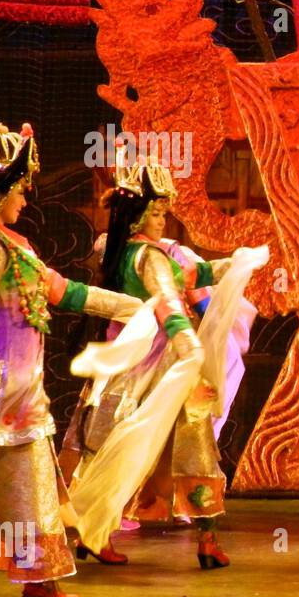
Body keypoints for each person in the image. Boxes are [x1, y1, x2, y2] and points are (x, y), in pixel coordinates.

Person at [0, 111, 140, 597]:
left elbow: (67, 292)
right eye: (21, 189)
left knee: (31, 484)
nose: (26, 198)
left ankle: (39, 580)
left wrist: (136, 308)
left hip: (18, 396)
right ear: (1, 193)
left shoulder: (17, 247)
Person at [62, 144, 238, 569]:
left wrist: (234, 263)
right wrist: (187, 344)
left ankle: (93, 530)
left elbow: (185, 277)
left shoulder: (123, 252)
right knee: (194, 448)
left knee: (110, 447)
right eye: (158, 213)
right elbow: (168, 300)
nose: (164, 219)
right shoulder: (152, 256)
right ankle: (207, 538)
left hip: (126, 368)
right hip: (165, 365)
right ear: (140, 215)